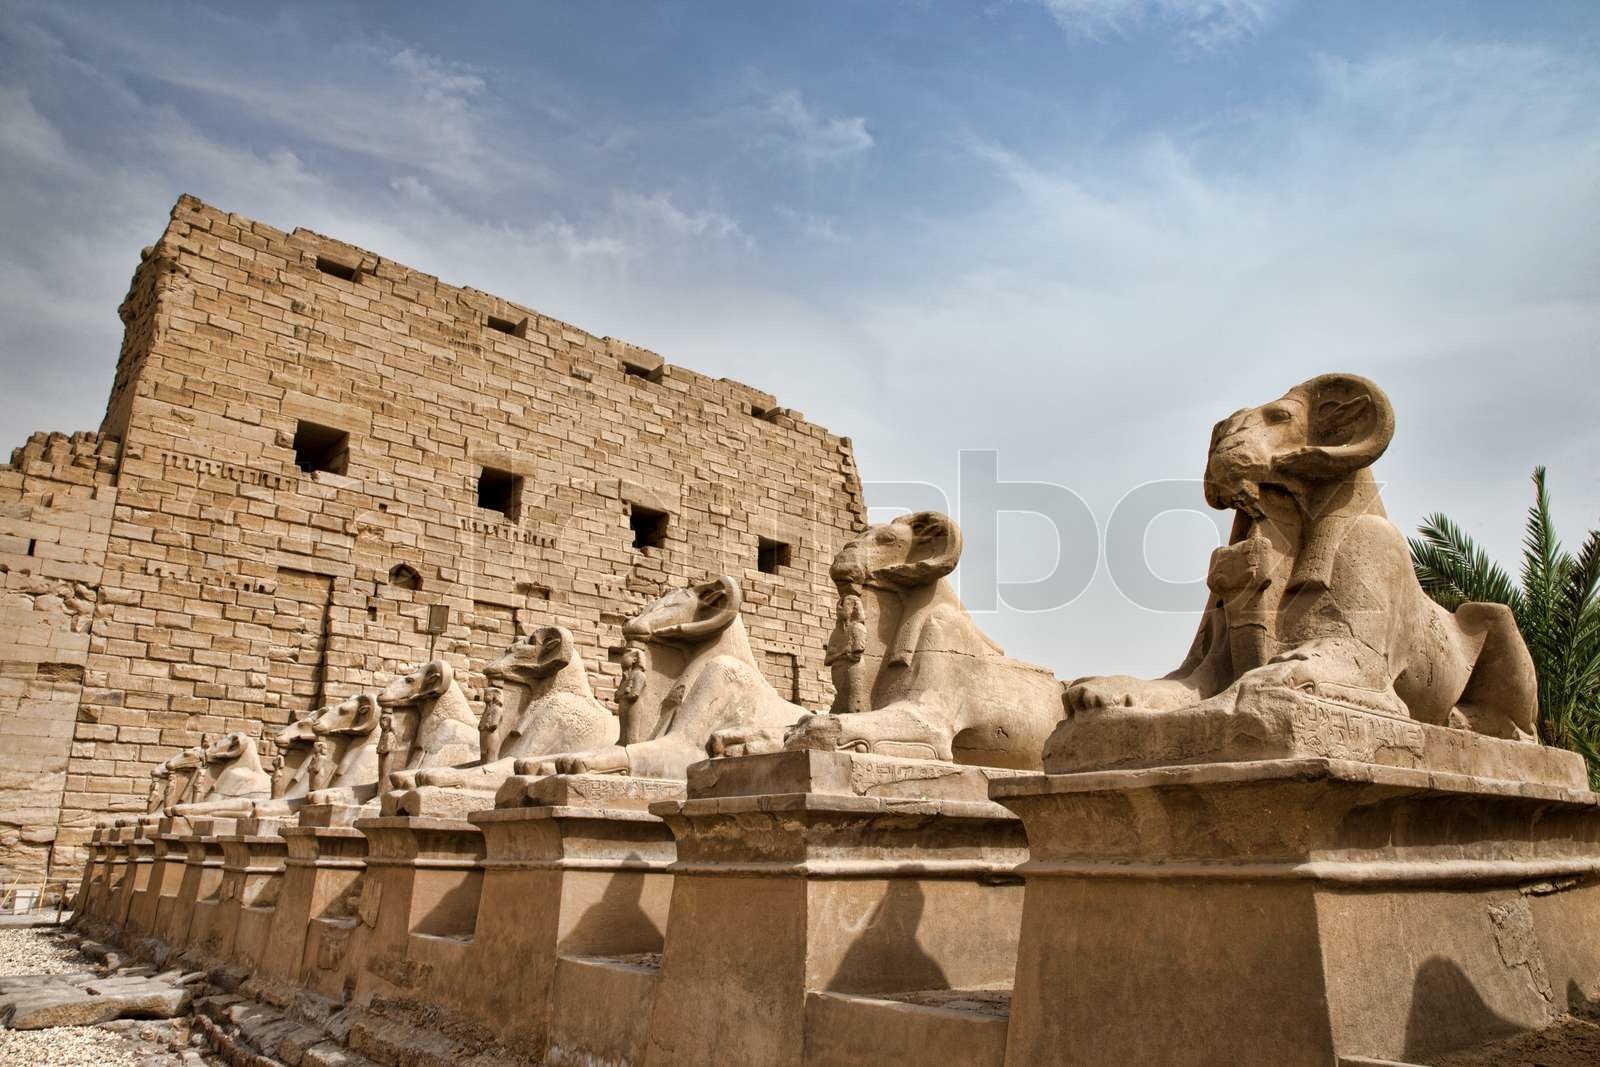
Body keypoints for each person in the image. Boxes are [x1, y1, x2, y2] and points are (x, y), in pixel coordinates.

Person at [824, 591, 870, 713]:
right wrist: (843, 652)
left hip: (852, 672)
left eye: (844, 604)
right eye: (839, 604)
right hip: (837, 673)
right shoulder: (836, 633)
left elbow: (855, 656)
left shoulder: (858, 628)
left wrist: (837, 654)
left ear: (854, 608)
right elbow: (827, 660)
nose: (839, 606)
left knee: (852, 707)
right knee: (839, 707)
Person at [615, 647, 647, 734]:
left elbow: (634, 695)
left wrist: (622, 694)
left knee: (631, 734)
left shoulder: (639, 675)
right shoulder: (625, 678)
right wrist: (624, 693)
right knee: (623, 734)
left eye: (626, 655)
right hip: (623, 706)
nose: (622, 658)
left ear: (635, 659)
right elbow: (616, 698)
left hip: (633, 707)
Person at [478, 689, 504, 764]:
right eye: (485, 694)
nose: (485, 696)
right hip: (484, 734)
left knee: (490, 757)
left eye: (488, 695)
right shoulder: (487, 709)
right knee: (483, 756)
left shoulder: (497, 709)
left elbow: (494, 725)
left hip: (491, 735)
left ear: (494, 696)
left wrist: (484, 726)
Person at [377, 713, 400, 789]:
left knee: (385, 774)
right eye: (381, 720)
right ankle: (380, 791)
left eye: (384, 720)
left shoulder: (390, 734)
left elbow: (387, 748)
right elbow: (380, 745)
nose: (381, 723)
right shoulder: (383, 733)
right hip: (382, 755)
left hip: (388, 756)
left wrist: (380, 750)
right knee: (381, 774)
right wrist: (379, 749)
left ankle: (383, 791)